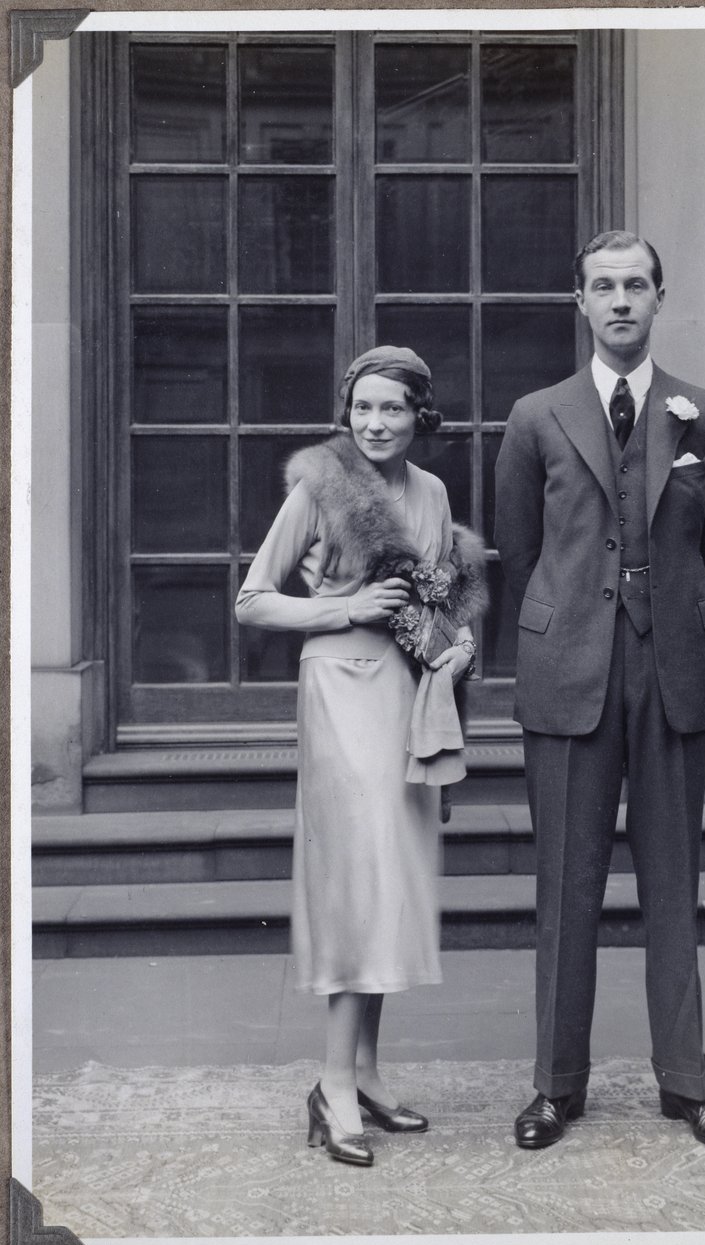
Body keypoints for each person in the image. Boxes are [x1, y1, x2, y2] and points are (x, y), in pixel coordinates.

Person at [494, 231, 705, 1153]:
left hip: (670, 667)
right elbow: (520, 552)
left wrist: (667, 615)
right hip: (569, 669)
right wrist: (573, 626)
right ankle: (555, 1087)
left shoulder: (701, 415)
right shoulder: (536, 417)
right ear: (581, 303)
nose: (620, 301)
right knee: (566, 885)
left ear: (658, 297)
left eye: (635, 285)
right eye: (602, 287)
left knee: (673, 884)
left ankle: (687, 1084)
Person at [236, 346, 485, 1167]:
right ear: (347, 413)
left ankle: (368, 1073)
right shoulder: (320, 487)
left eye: (393, 408)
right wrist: (343, 610)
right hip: (340, 689)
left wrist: (458, 643)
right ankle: (332, 1084)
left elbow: (436, 600)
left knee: (393, 877)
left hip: (409, 696)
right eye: (363, 408)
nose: (375, 424)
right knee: (358, 879)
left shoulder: (433, 493)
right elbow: (253, 601)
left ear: (420, 415)